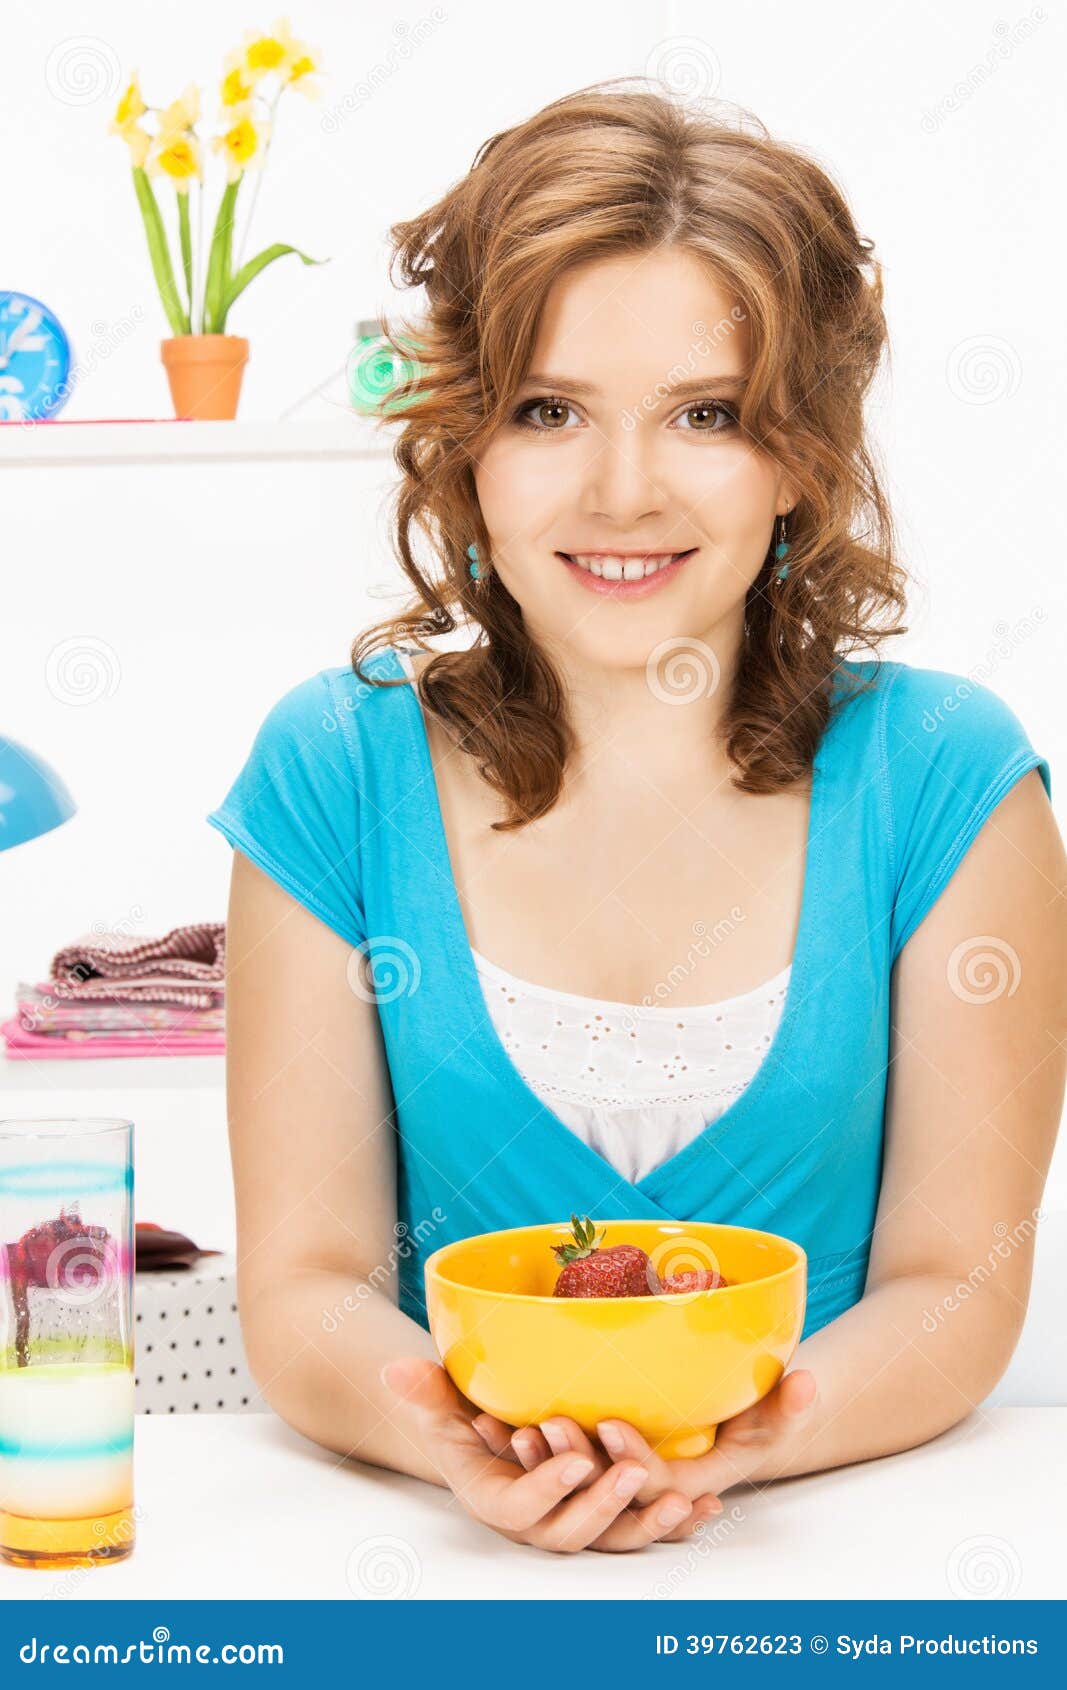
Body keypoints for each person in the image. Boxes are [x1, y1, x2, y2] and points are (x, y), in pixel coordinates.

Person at [206, 82, 1065, 1554]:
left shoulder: (942, 775)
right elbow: (306, 1284)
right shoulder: (332, 770)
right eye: (549, 411)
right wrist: (464, 1452)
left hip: (839, 1568)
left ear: (798, 455)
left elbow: (956, 1284)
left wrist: (731, 1449)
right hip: (448, 1578)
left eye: (705, 415)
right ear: (466, 444)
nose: (622, 491)